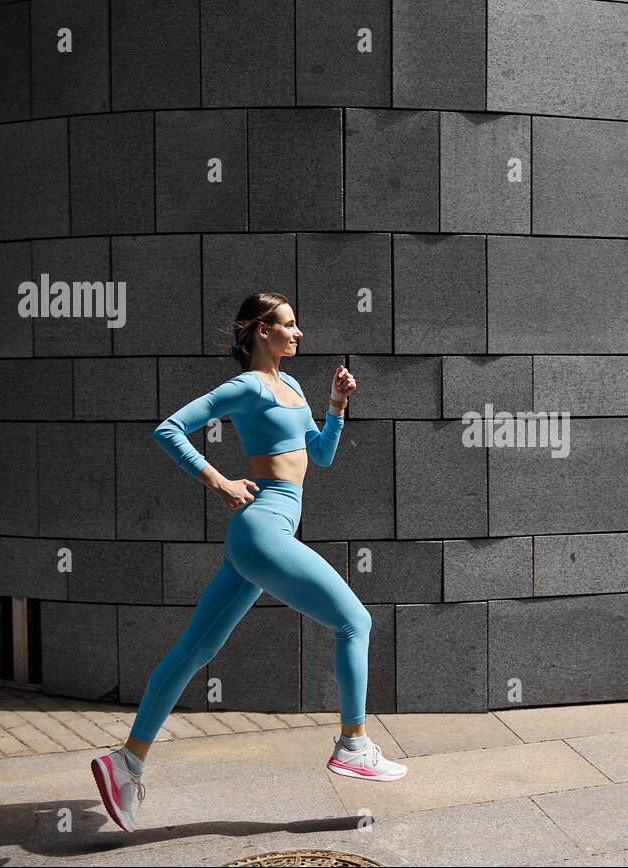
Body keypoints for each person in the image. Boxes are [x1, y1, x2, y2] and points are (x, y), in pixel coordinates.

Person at [90, 292, 406, 833]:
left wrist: (335, 406)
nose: (298, 333)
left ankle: (126, 763)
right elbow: (168, 428)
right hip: (262, 527)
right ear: (261, 331)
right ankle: (353, 743)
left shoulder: (295, 386)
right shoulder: (247, 386)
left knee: (196, 648)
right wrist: (218, 481)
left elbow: (320, 456)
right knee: (355, 621)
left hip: (263, 531)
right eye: (288, 324)